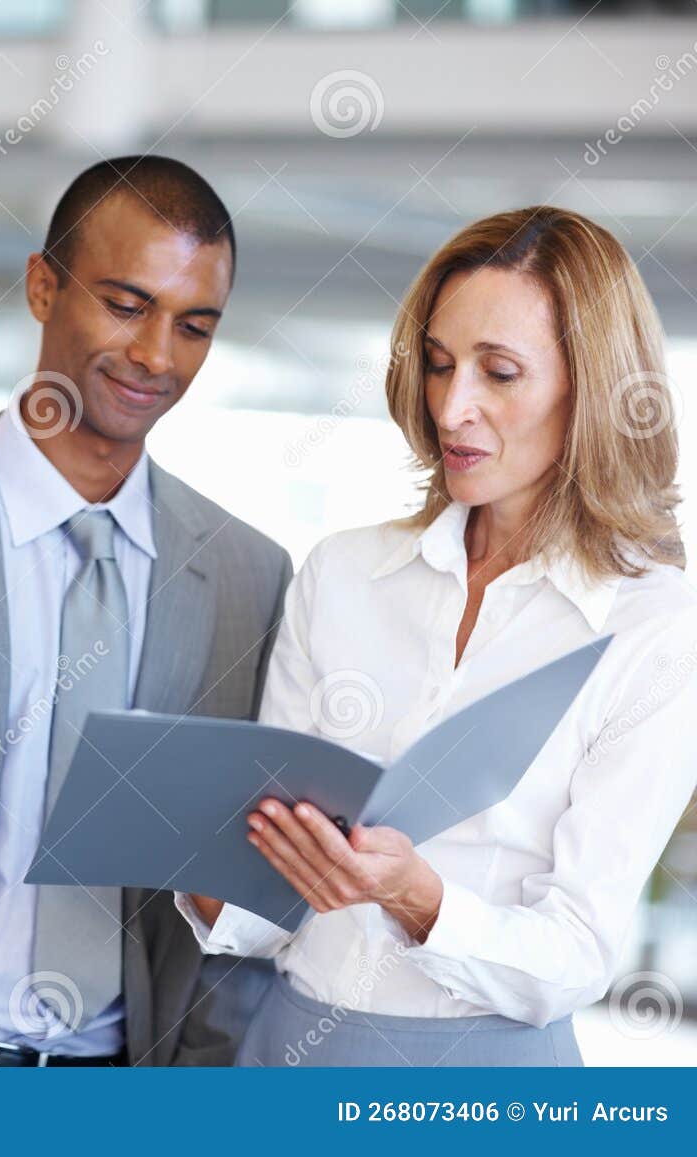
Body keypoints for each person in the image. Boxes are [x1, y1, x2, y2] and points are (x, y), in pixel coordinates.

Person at [182, 206, 697, 1066]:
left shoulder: (653, 625)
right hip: (288, 1045)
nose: (453, 407)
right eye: (438, 364)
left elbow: (576, 951)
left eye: (499, 373)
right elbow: (272, 888)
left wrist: (421, 899)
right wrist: (202, 881)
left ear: (594, 389)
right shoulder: (343, 572)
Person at [0, 157, 292, 1067]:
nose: (157, 356)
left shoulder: (250, 575)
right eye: (127, 305)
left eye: (195, 325)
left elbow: (235, 893)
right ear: (43, 286)